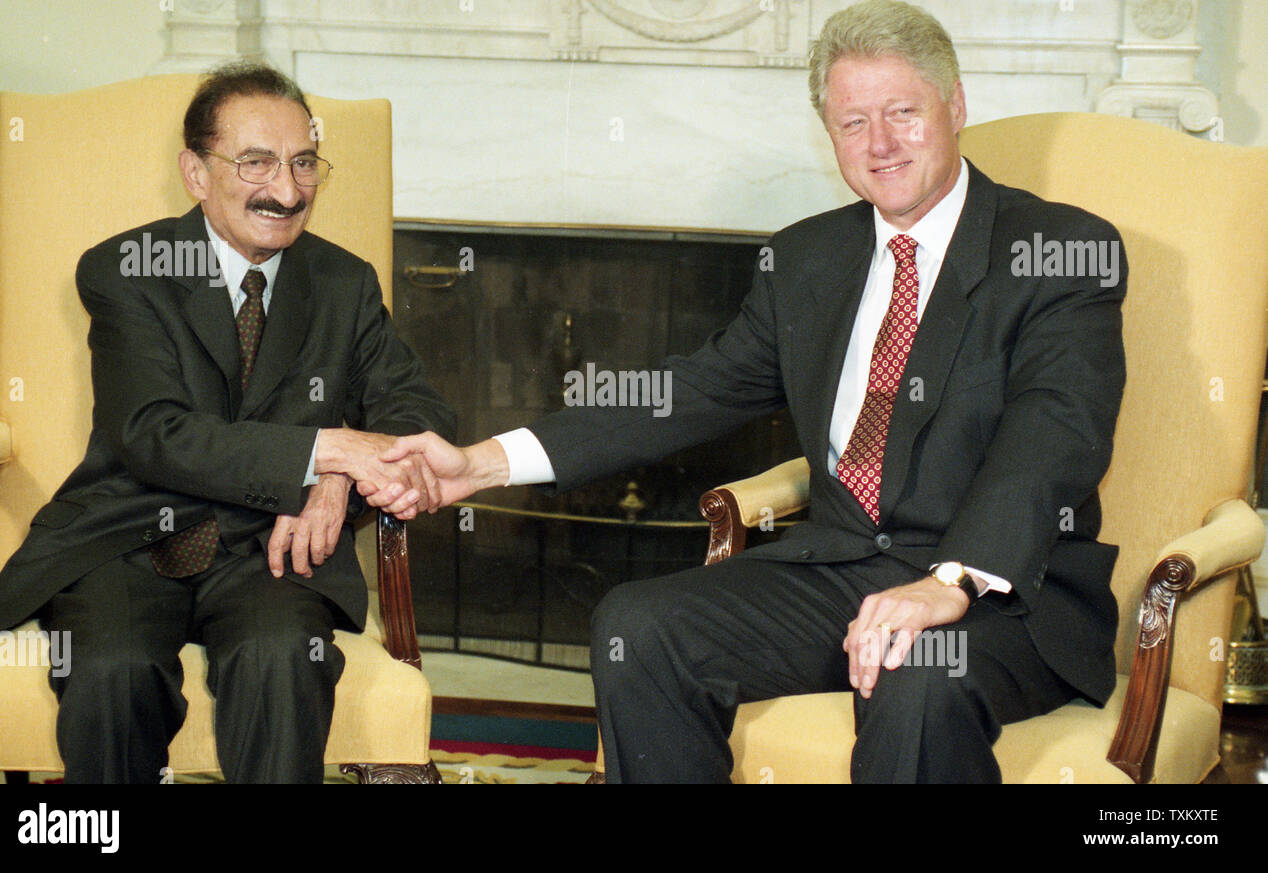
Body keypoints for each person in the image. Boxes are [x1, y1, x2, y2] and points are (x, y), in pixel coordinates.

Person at [373, 0, 1127, 783]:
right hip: (841, 570)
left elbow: (1054, 435)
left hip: (1004, 594)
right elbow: (687, 391)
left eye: (904, 112)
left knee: (918, 673)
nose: (881, 144)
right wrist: (481, 464)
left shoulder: (1059, 250)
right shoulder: (807, 259)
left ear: (956, 105)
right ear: (829, 134)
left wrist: (947, 582)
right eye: (852, 122)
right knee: (640, 625)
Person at [0, 62, 454, 783]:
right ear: (195, 173)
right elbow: (152, 433)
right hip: (127, 537)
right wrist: (327, 447)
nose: (287, 191)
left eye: (303, 163)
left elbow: (418, 418)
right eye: (256, 162)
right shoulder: (128, 268)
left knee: (283, 660)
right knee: (111, 672)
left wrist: (334, 487)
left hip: (276, 549)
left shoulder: (343, 284)